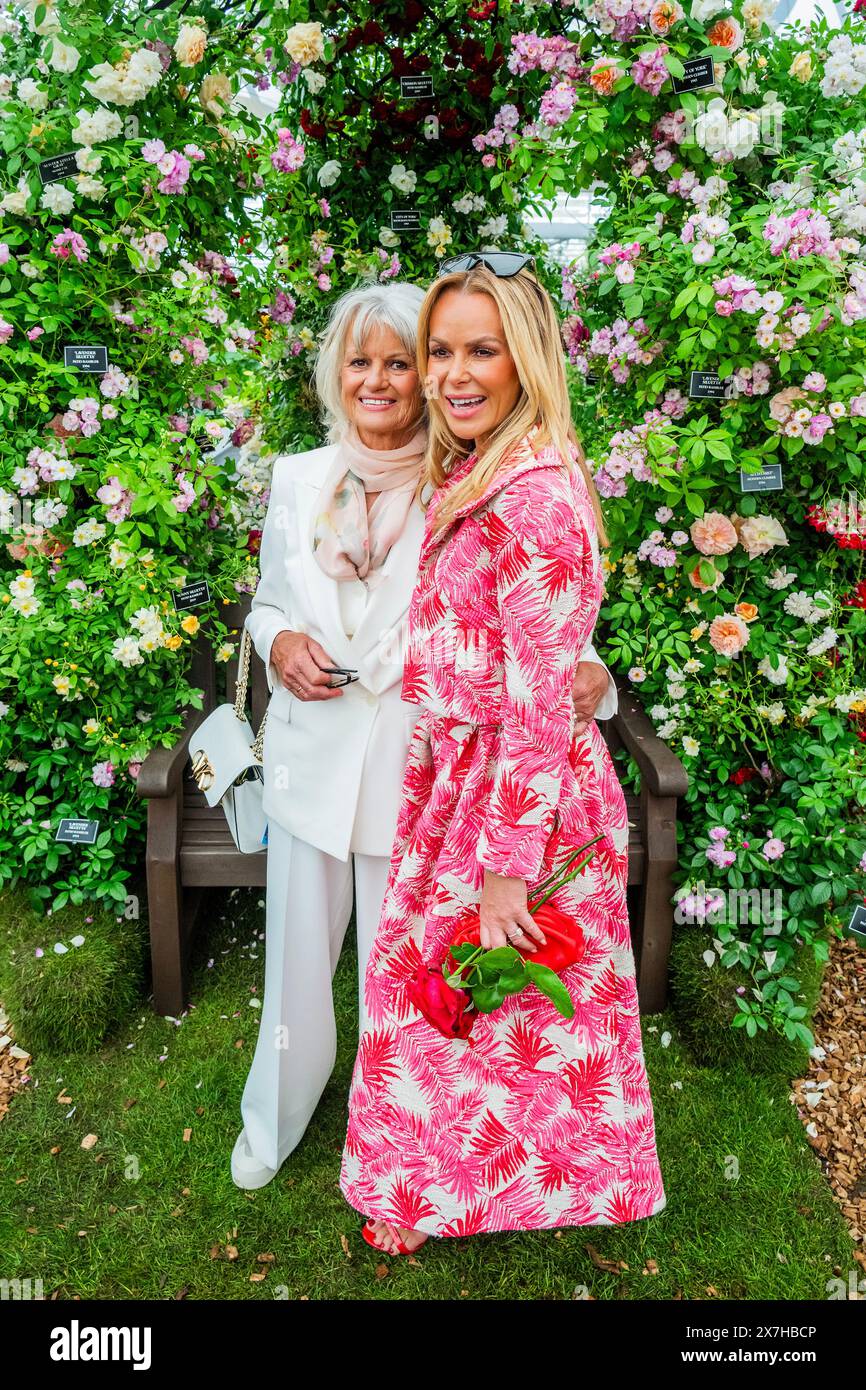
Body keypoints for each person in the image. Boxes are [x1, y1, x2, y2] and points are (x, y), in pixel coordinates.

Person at [231, 279, 618, 1188]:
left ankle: (391, 1133)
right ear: (335, 374)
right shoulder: (297, 480)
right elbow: (269, 601)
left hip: (423, 777)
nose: (380, 380)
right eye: (359, 362)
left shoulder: (471, 476)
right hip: (307, 757)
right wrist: (277, 637)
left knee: (402, 979)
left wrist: (592, 679)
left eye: (400, 361)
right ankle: (273, 1120)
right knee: (293, 964)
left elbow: (540, 616)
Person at [339, 253, 666, 1255]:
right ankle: (448, 1188)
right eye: (440, 349)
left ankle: (429, 1196)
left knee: (450, 995)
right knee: (479, 1010)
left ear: (525, 360)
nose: (451, 372)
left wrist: (503, 870)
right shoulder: (487, 470)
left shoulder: (532, 497)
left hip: (511, 798)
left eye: (481, 349)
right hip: (463, 777)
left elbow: (533, 705)